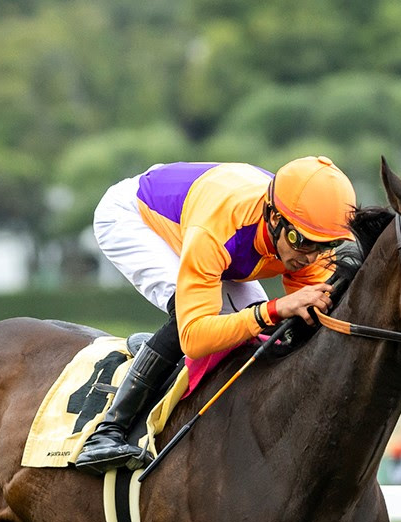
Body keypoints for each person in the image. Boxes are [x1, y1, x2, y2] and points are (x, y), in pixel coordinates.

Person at [76, 156, 357, 472]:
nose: (310, 257)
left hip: (212, 228)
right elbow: (196, 336)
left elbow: (309, 326)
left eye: (324, 246)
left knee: (259, 332)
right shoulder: (222, 224)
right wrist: (275, 309)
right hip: (136, 217)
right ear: (274, 217)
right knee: (191, 317)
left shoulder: (310, 238)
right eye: (300, 242)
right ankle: (108, 431)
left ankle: (157, 356)